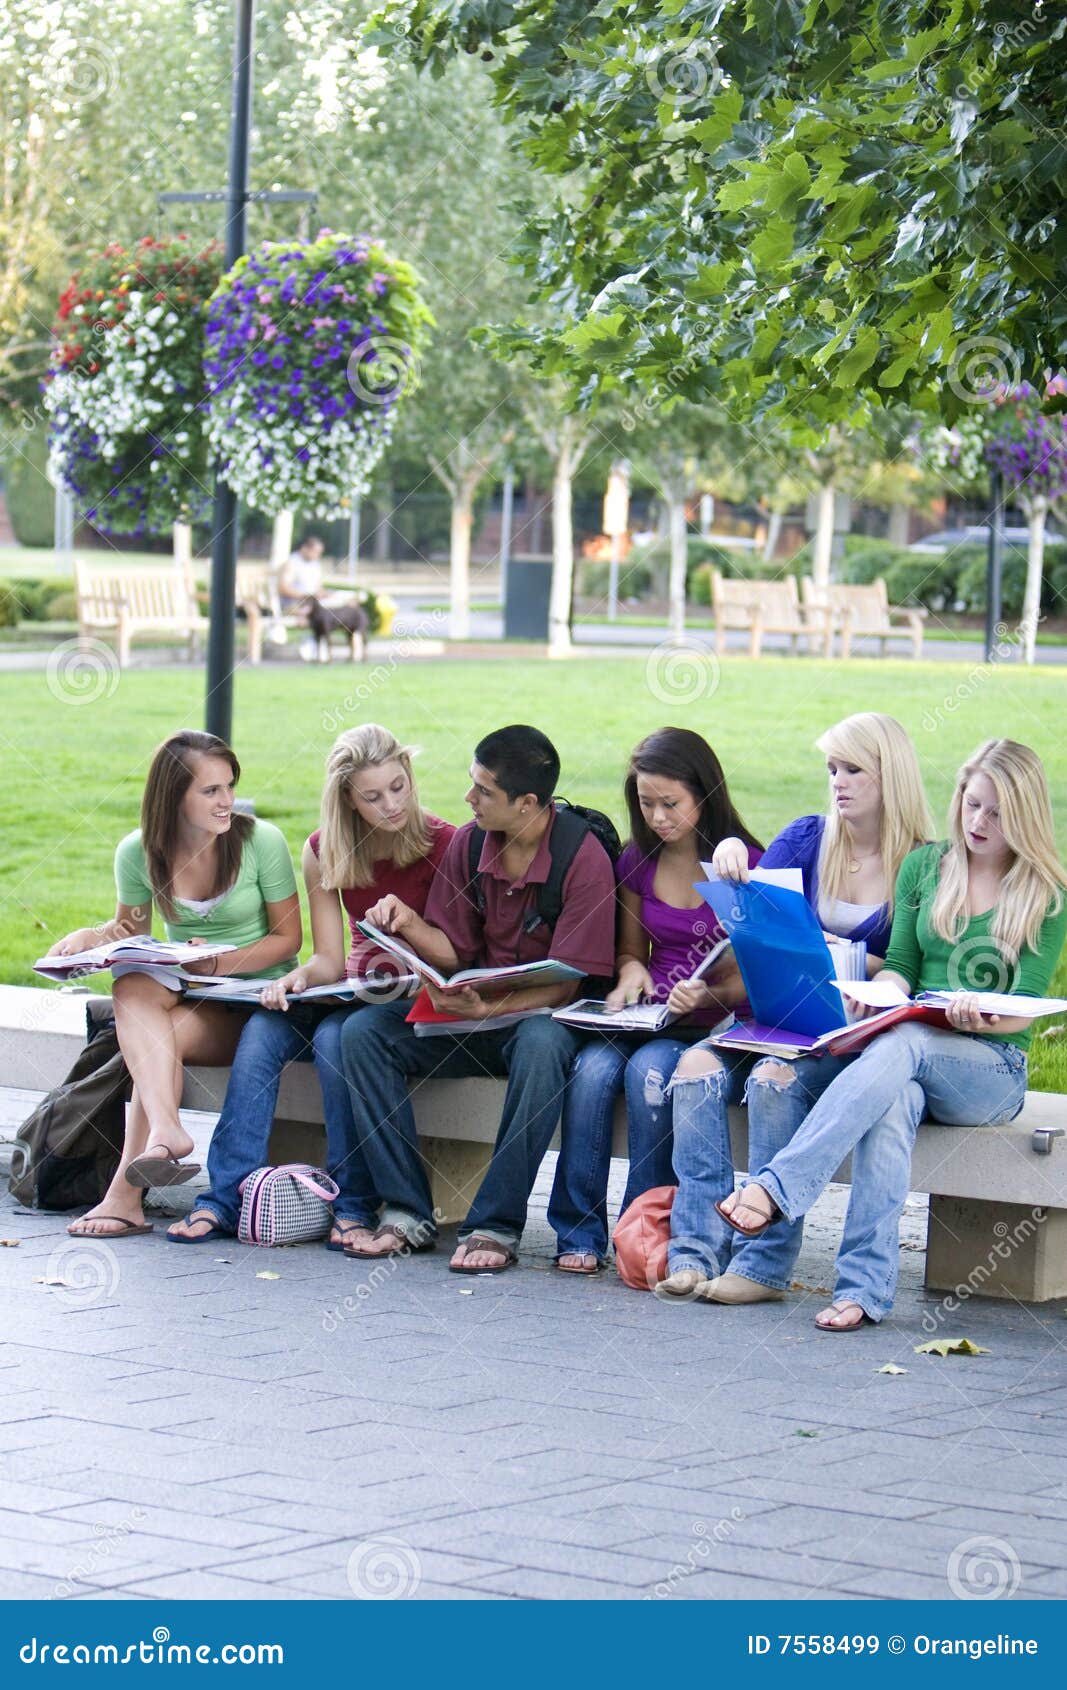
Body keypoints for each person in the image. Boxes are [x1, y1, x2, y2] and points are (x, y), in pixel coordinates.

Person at [717, 738, 1067, 1329]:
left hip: (990, 1068)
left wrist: (976, 1017)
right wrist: (880, 996)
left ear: (1026, 815)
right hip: (906, 1052)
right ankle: (864, 1289)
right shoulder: (927, 867)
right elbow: (902, 965)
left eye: (998, 812)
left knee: (903, 1046)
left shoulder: (1045, 894)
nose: (978, 822)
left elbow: (1026, 1010)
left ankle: (777, 1189)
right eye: (971, 804)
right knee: (885, 1094)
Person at [661, 712, 933, 1302]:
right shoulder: (811, 835)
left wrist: (849, 958)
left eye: (854, 769)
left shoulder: (921, 863)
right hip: (776, 1014)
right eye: (832, 768)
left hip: (849, 1035)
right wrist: (732, 851)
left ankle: (761, 1267)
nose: (838, 781)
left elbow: (917, 971)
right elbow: (754, 902)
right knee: (693, 1070)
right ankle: (694, 1249)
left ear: (891, 775)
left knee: (772, 1082)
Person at [339, 725, 617, 1273]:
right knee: (362, 1033)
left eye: (483, 791)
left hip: (536, 1020)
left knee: (542, 1044)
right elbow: (452, 951)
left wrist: (488, 1009)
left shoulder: (583, 858)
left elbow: (564, 985)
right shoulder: (469, 843)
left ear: (528, 804)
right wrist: (408, 925)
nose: (469, 800)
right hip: (467, 1019)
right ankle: (406, 1211)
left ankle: (495, 1224)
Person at [168, 726, 455, 1246]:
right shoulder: (325, 849)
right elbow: (327, 959)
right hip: (348, 989)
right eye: (372, 796)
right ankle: (223, 1198)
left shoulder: (446, 842)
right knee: (262, 1026)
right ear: (347, 798)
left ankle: (352, 1204)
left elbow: (454, 957)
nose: (390, 804)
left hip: (407, 999)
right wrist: (297, 980)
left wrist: (409, 931)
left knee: (333, 1040)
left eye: (398, 787)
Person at [50, 730, 301, 1240]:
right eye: (211, 790)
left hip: (256, 1005)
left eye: (229, 785)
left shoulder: (260, 842)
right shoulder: (138, 853)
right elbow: (134, 939)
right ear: (173, 796)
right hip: (190, 998)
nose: (227, 800)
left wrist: (215, 964)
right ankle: (165, 1134)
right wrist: (91, 938)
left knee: (147, 1038)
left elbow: (288, 939)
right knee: (132, 987)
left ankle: (126, 1194)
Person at [547, 727, 762, 1272]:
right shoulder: (638, 860)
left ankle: (639, 1234)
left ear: (704, 795)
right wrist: (631, 970)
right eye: (646, 804)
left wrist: (708, 992)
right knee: (591, 1070)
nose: (658, 817)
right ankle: (577, 1233)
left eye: (671, 804)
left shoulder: (742, 865)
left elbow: (758, 978)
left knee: (648, 1074)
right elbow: (628, 951)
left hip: (709, 1028)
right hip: (649, 1015)